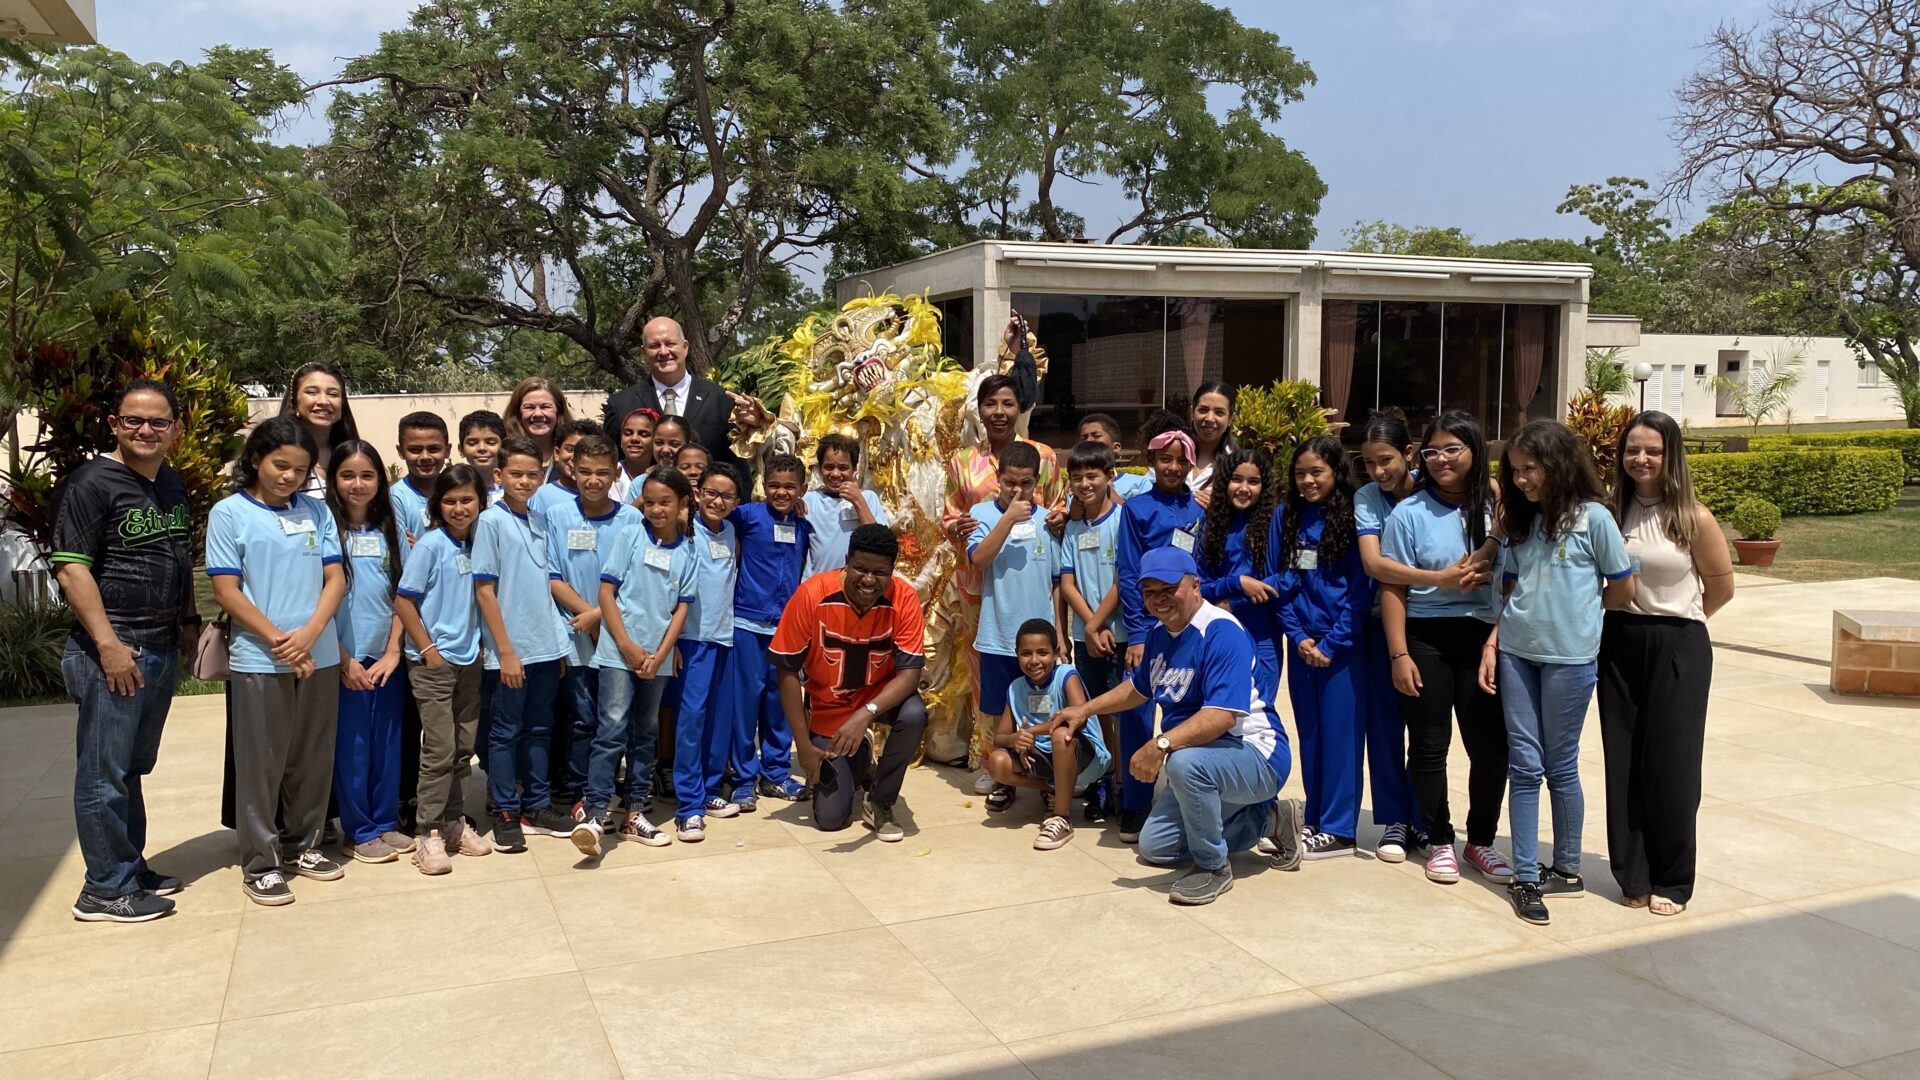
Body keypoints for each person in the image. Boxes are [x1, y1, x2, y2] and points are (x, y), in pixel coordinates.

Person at [1053, 547, 1303, 905]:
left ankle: (1212, 868)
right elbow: (1138, 689)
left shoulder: (1221, 631)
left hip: (1257, 756)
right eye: (1149, 592)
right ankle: (1273, 821)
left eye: (1168, 589)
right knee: (1157, 846)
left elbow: (1222, 716)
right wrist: (1084, 710)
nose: (1159, 600)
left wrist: (1161, 745)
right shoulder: (1159, 634)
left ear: (1195, 586)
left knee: (1184, 763)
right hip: (1206, 759)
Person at [52, 379, 197, 923]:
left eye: (158, 422)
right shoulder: (91, 482)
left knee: (130, 767)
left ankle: (128, 867)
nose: (145, 430)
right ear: (114, 425)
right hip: (113, 652)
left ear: (175, 430)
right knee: (101, 772)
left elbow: (177, 555)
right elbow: (71, 567)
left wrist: (187, 620)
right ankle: (103, 889)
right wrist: (108, 645)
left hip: (158, 647)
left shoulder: (171, 483)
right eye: (133, 420)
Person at [1483, 420, 1636, 925]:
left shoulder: (1595, 519)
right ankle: (1526, 875)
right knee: (1524, 765)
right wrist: (1497, 640)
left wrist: (1580, 622)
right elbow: (1510, 587)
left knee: (1561, 764)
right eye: (1516, 471)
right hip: (1518, 653)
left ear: (1559, 463)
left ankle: (1568, 868)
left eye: (1532, 469)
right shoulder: (1519, 522)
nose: (1523, 480)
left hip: (1571, 660)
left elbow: (1622, 589)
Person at [206, 418, 347, 906]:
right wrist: (279, 640)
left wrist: (309, 636)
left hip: (320, 654)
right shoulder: (229, 514)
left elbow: (336, 579)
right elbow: (226, 589)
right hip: (259, 658)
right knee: (261, 765)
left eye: (300, 469)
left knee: (311, 757)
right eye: (280, 465)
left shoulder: (317, 511)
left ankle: (303, 846)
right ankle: (260, 862)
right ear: (255, 460)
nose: (289, 476)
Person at [1600, 411, 1734, 917]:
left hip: (1679, 642)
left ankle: (1673, 879)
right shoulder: (1611, 512)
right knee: (1624, 761)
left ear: (1671, 455)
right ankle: (1632, 874)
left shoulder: (1692, 517)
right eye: (1633, 449)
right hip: (1619, 642)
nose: (1642, 459)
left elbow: (1721, 588)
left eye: (1653, 451)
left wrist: (1677, 623)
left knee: (1672, 765)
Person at [1380, 410, 1512, 887]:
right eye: (1432, 451)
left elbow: (1516, 570)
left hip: (1484, 639)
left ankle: (1480, 841)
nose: (1441, 460)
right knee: (1430, 747)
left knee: (1491, 749)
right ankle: (1439, 840)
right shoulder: (1408, 514)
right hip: (1426, 638)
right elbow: (1392, 586)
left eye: (1452, 449)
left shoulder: (1498, 504)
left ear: (1475, 450)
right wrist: (1399, 654)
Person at [941, 374, 1064, 780]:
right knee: (986, 673)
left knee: (1038, 668)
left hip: (1034, 577)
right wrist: (954, 528)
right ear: (979, 409)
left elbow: (1060, 510)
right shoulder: (962, 462)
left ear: (1020, 408)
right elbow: (951, 515)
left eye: (1008, 403)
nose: (999, 412)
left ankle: (1041, 754)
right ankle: (991, 755)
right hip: (982, 587)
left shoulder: (1043, 457)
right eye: (991, 403)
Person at [570, 467, 698, 855]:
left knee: (645, 734)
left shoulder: (689, 551)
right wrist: (625, 645)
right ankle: (595, 812)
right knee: (610, 729)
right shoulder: (629, 535)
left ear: (682, 505)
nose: (657, 509)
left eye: (666, 502)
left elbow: (680, 611)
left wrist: (660, 654)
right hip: (617, 654)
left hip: (655, 659)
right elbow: (607, 594)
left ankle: (634, 813)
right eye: (651, 502)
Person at [772, 524, 928, 842]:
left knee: (914, 714)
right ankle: (859, 757)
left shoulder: (904, 598)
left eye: (880, 573)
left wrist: (866, 713)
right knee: (830, 820)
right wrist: (803, 747)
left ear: (892, 570)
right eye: (860, 569)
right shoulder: (812, 594)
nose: (869, 580)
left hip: (878, 699)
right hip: (828, 706)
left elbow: (909, 675)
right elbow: (786, 671)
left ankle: (881, 800)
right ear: (846, 560)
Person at [1350, 409, 1448, 862]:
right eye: (1370, 462)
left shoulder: (1437, 493)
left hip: (1430, 627)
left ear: (1410, 454)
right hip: (1379, 626)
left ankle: (1424, 819)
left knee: (1426, 731)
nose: (1379, 471)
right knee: (1385, 726)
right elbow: (1374, 565)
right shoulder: (1368, 498)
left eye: (1386, 459)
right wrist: (1438, 576)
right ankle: (1394, 818)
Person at [1267, 436, 1372, 861]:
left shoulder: (1351, 516)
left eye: (1317, 472)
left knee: (1342, 734)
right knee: (1310, 733)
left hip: (1341, 647)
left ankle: (1340, 828)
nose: (1308, 481)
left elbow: (1361, 590)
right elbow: (1278, 581)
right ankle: (1315, 818)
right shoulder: (1285, 516)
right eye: (1300, 473)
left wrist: (1331, 642)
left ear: (1336, 472)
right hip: (1303, 644)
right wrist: (1299, 636)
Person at [472, 435, 574, 852]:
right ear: (499, 476)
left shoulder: (539, 520)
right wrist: (506, 651)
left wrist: (558, 644)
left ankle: (537, 803)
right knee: (504, 732)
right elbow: (485, 591)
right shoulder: (490, 522)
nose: (525, 480)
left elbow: (545, 585)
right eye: (516, 473)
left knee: (539, 729)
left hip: (545, 647)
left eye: (534, 474)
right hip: (509, 651)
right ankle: (506, 811)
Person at [394, 464, 496, 874]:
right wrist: (428, 648)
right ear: (438, 505)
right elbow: (404, 601)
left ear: (480, 503)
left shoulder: (480, 545)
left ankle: (455, 822)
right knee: (439, 749)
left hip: (470, 660)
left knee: (462, 746)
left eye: (467, 500)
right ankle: (428, 832)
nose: (459, 508)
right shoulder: (431, 545)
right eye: (450, 501)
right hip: (434, 662)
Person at [1113, 416, 1204, 841]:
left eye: (1180, 461)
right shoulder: (1137, 509)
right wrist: (1136, 632)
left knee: (1186, 712)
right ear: (1152, 461)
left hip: (1191, 623)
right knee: (1137, 712)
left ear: (1190, 464)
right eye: (1164, 460)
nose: (1172, 468)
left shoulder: (1200, 507)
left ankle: (1187, 801)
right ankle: (1135, 803)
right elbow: (1130, 571)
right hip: (1149, 625)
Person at [325, 442, 413, 864]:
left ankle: (385, 822)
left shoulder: (390, 531)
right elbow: (317, 602)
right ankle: (358, 830)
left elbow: (405, 595)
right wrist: (344, 659)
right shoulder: (327, 531)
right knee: (354, 746)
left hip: (387, 657)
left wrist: (394, 652)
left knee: (388, 743)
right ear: (334, 481)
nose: (357, 485)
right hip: (346, 659)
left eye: (367, 476)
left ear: (380, 481)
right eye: (347, 476)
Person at [543, 435, 640, 810]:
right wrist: (585, 616)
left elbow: (634, 578)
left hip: (618, 634)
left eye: (603, 473)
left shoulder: (631, 518)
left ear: (616, 473)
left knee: (617, 718)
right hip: (576, 635)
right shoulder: (557, 516)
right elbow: (552, 576)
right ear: (572, 470)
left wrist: (600, 615)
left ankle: (616, 786)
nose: (594, 480)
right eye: (585, 472)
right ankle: (581, 787)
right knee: (582, 717)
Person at [967, 442, 1061, 809]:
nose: (1018, 491)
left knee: (1043, 709)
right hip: (998, 634)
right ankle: (1000, 772)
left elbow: (1056, 581)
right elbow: (978, 559)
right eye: (1009, 484)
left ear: (1037, 481)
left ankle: (1049, 777)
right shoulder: (982, 514)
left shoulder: (1049, 521)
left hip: (1040, 640)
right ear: (997, 479)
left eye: (1026, 484)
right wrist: (1008, 518)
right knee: (997, 708)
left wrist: (1060, 635)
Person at [725, 453, 815, 808]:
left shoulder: (804, 526)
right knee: (745, 702)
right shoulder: (748, 515)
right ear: (763, 485)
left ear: (802, 489)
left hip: (786, 629)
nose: (781, 492)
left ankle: (776, 772)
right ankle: (744, 777)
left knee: (780, 703)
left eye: (789, 487)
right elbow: (713, 517)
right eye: (774, 485)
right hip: (746, 623)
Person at [984, 620, 1109, 850]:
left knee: (1061, 735)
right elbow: (1000, 737)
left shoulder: (1066, 675)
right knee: (997, 762)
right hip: (1041, 755)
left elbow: (1076, 717)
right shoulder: (1016, 688)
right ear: (1016, 655)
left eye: (1042, 652)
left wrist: (1030, 731)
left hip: (1080, 753)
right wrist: (1016, 739)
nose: (1034, 661)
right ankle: (1053, 789)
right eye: (1026, 653)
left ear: (1056, 653)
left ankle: (1062, 817)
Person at [672, 462, 745, 841]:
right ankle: (688, 807)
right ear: (698, 494)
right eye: (711, 493)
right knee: (691, 721)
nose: (718, 500)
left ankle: (711, 789)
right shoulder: (684, 531)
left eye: (727, 495)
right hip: (691, 639)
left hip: (724, 637)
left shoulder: (731, 529)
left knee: (720, 719)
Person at [1056, 440, 1128, 822]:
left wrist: (1098, 624)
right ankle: (1104, 778)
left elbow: (1122, 580)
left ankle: (1125, 784)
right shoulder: (1072, 529)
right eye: (1077, 477)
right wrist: (1087, 627)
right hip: (1088, 637)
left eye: (1093, 476)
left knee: (1121, 712)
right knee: (1093, 710)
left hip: (1119, 635)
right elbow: (1068, 584)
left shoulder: (1122, 520)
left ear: (1109, 477)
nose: (1085, 484)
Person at [1197, 448, 1282, 703]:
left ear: (1264, 486)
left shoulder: (1275, 521)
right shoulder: (1211, 524)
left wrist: (1233, 602)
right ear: (1224, 482)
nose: (1244, 488)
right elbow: (1199, 585)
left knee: (1261, 712)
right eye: (1236, 479)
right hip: (1220, 633)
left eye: (1253, 481)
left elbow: (1280, 580)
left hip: (1263, 635)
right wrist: (1237, 582)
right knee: (1221, 712)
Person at [602, 316, 743, 467]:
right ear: (644, 352)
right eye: (655, 345)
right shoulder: (621, 405)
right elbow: (608, 465)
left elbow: (738, 468)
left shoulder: (720, 400)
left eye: (670, 344)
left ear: (685, 347)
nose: (663, 352)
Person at [804, 433, 889, 575]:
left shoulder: (868, 498)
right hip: (817, 586)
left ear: (854, 470)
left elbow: (879, 544)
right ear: (820, 469)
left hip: (853, 589)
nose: (836, 474)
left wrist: (857, 500)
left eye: (843, 468)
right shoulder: (809, 500)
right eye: (829, 467)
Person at [277, 362, 359, 494]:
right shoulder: (276, 456)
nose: (323, 401)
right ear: (294, 402)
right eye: (312, 392)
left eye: (333, 394)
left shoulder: (353, 455)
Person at [391, 411, 450, 548]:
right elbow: (402, 549)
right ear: (401, 451)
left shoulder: (458, 492)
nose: (425, 457)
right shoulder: (395, 498)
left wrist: (422, 548)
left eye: (434, 449)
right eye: (415, 450)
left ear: (447, 450)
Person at [531, 418, 604, 519]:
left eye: (585, 450)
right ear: (557, 453)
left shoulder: (604, 493)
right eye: (570, 449)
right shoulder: (541, 496)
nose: (575, 457)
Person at [502, 376, 575, 469]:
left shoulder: (574, 456)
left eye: (545, 407)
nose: (538, 414)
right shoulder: (502, 455)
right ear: (517, 413)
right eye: (529, 407)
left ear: (558, 411)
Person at [1076, 413, 1152, 499]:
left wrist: (1109, 492)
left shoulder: (1140, 484)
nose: (1088, 441)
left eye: (1096, 436)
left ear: (1116, 447)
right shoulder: (1078, 487)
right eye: (1084, 438)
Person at [1187, 381, 1236, 502]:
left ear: (1230, 419)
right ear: (1192, 413)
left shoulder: (1236, 464)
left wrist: (1219, 508)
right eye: (1203, 410)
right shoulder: (1176, 453)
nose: (1209, 418)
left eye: (1219, 412)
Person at [609, 407, 658, 505]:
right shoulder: (611, 473)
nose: (634, 438)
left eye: (643, 434)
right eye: (627, 433)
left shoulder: (662, 473)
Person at [458, 410, 506, 496]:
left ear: (504, 446)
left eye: (491, 442)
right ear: (461, 449)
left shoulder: (516, 489)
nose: (482, 448)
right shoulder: (454, 490)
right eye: (472, 443)